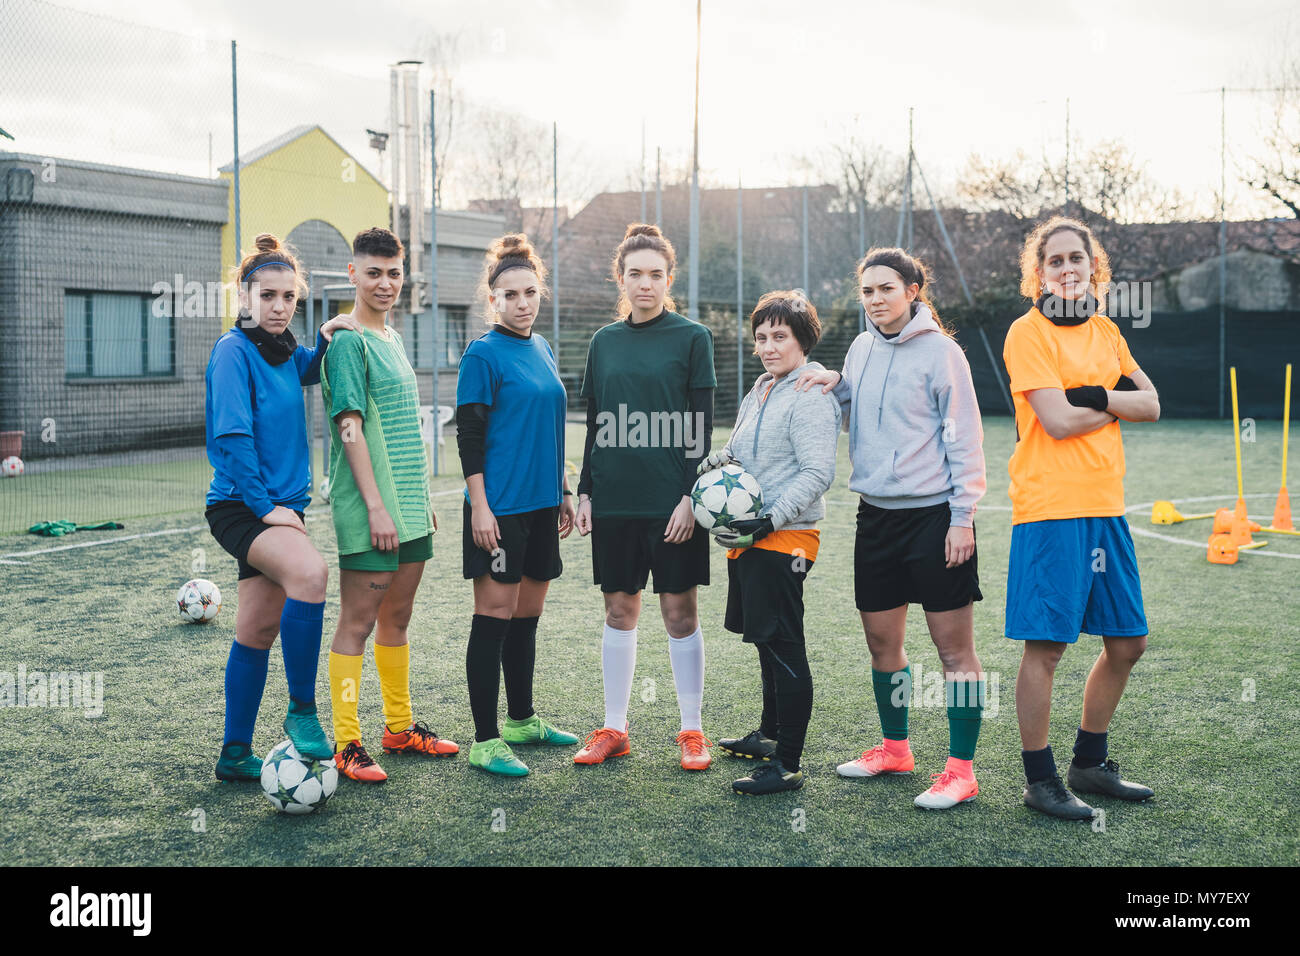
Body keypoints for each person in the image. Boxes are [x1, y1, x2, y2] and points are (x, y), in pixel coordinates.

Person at [796, 247, 988, 810]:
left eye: (886, 288)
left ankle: (961, 771)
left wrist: (962, 518)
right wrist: (834, 383)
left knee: (954, 652)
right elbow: (857, 405)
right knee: (883, 645)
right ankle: (896, 749)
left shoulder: (943, 353)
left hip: (935, 518)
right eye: (867, 291)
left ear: (912, 291)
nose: (876, 299)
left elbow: (965, 438)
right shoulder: (860, 347)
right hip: (875, 517)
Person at [1001, 216, 1160, 819]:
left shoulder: (1107, 330)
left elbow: (1153, 404)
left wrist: (1096, 397)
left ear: (1094, 266)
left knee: (1128, 642)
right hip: (1050, 509)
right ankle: (1040, 781)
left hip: (1105, 506)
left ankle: (1088, 764)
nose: (1068, 268)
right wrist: (1116, 405)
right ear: (1039, 273)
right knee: (1046, 649)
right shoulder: (1027, 332)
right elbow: (1058, 422)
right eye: (1056, 260)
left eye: (1077, 258)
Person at [205, 232, 360, 781]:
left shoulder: (284, 351)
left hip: (279, 508)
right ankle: (302, 710)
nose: (278, 306)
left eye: (288, 296)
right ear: (244, 296)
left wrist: (326, 339)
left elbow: (307, 369)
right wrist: (266, 507)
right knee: (311, 574)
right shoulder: (233, 351)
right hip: (242, 507)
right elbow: (232, 437)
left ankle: (234, 755)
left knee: (256, 629)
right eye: (267, 295)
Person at [573, 223, 717, 771]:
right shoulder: (603, 342)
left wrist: (689, 497)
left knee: (679, 613)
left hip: (672, 504)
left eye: (656, 275)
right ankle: (615, 727)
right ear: (621, 278)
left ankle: (692, 730)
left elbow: (700, 428)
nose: (645, 284)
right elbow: (596, 423)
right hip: (615, 500)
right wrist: (587, 491)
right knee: (619, 610)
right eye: (635, 274)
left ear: (669, 279)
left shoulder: (693, 338)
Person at [320, 226, 457, 783]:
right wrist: (377, 507)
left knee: (397, 619)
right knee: (357, 623)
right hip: (370, 509)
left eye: (394, 273)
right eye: (373, 273)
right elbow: (349, 427)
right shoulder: (347, 342)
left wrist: (415, 502)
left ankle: (399, 729)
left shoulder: (393, 337)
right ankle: (346, 742)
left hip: (409, 507)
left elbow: (397, 429)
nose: (385, 283)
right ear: (353, 274)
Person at [704, 291, 840, 795]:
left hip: (787, 539)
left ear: (803, 340)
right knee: (765, 640)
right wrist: (712, 464)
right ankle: (768, 735)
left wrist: (769, 520)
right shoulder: (761, 388)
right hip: (751, 537)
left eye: (779, 336)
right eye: (761, 337)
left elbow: (817, 472)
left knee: (784, 645)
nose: (767, 347)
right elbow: (739, 449)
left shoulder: (810, 394)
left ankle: (787, 763)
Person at [456, 234, 579, 777]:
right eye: (510, 295)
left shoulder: (543, 347)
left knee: (527, 617)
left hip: (542, 506)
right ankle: (485, 740)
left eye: (530, 292)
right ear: (493, 300)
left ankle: (522, 720)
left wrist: (564, 490)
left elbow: (549, 426)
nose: (522, 303)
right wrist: (480, 507)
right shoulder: (482, 354)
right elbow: (469, 437)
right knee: (494, 618)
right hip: (499, 510)